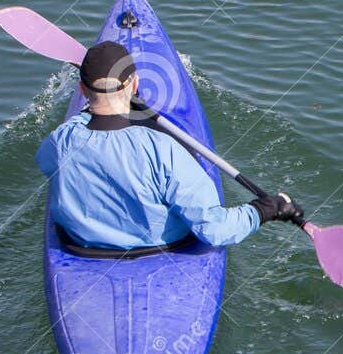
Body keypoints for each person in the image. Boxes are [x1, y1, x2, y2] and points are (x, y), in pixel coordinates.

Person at [36, 40, 299, 250]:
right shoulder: (163, 149)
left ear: (82, 90)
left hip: (83, 247)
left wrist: (93, 108)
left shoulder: (61, 141)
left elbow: (45, 161)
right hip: (161, 247)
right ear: (135, 84)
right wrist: (266, 210)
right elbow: (214, 231)